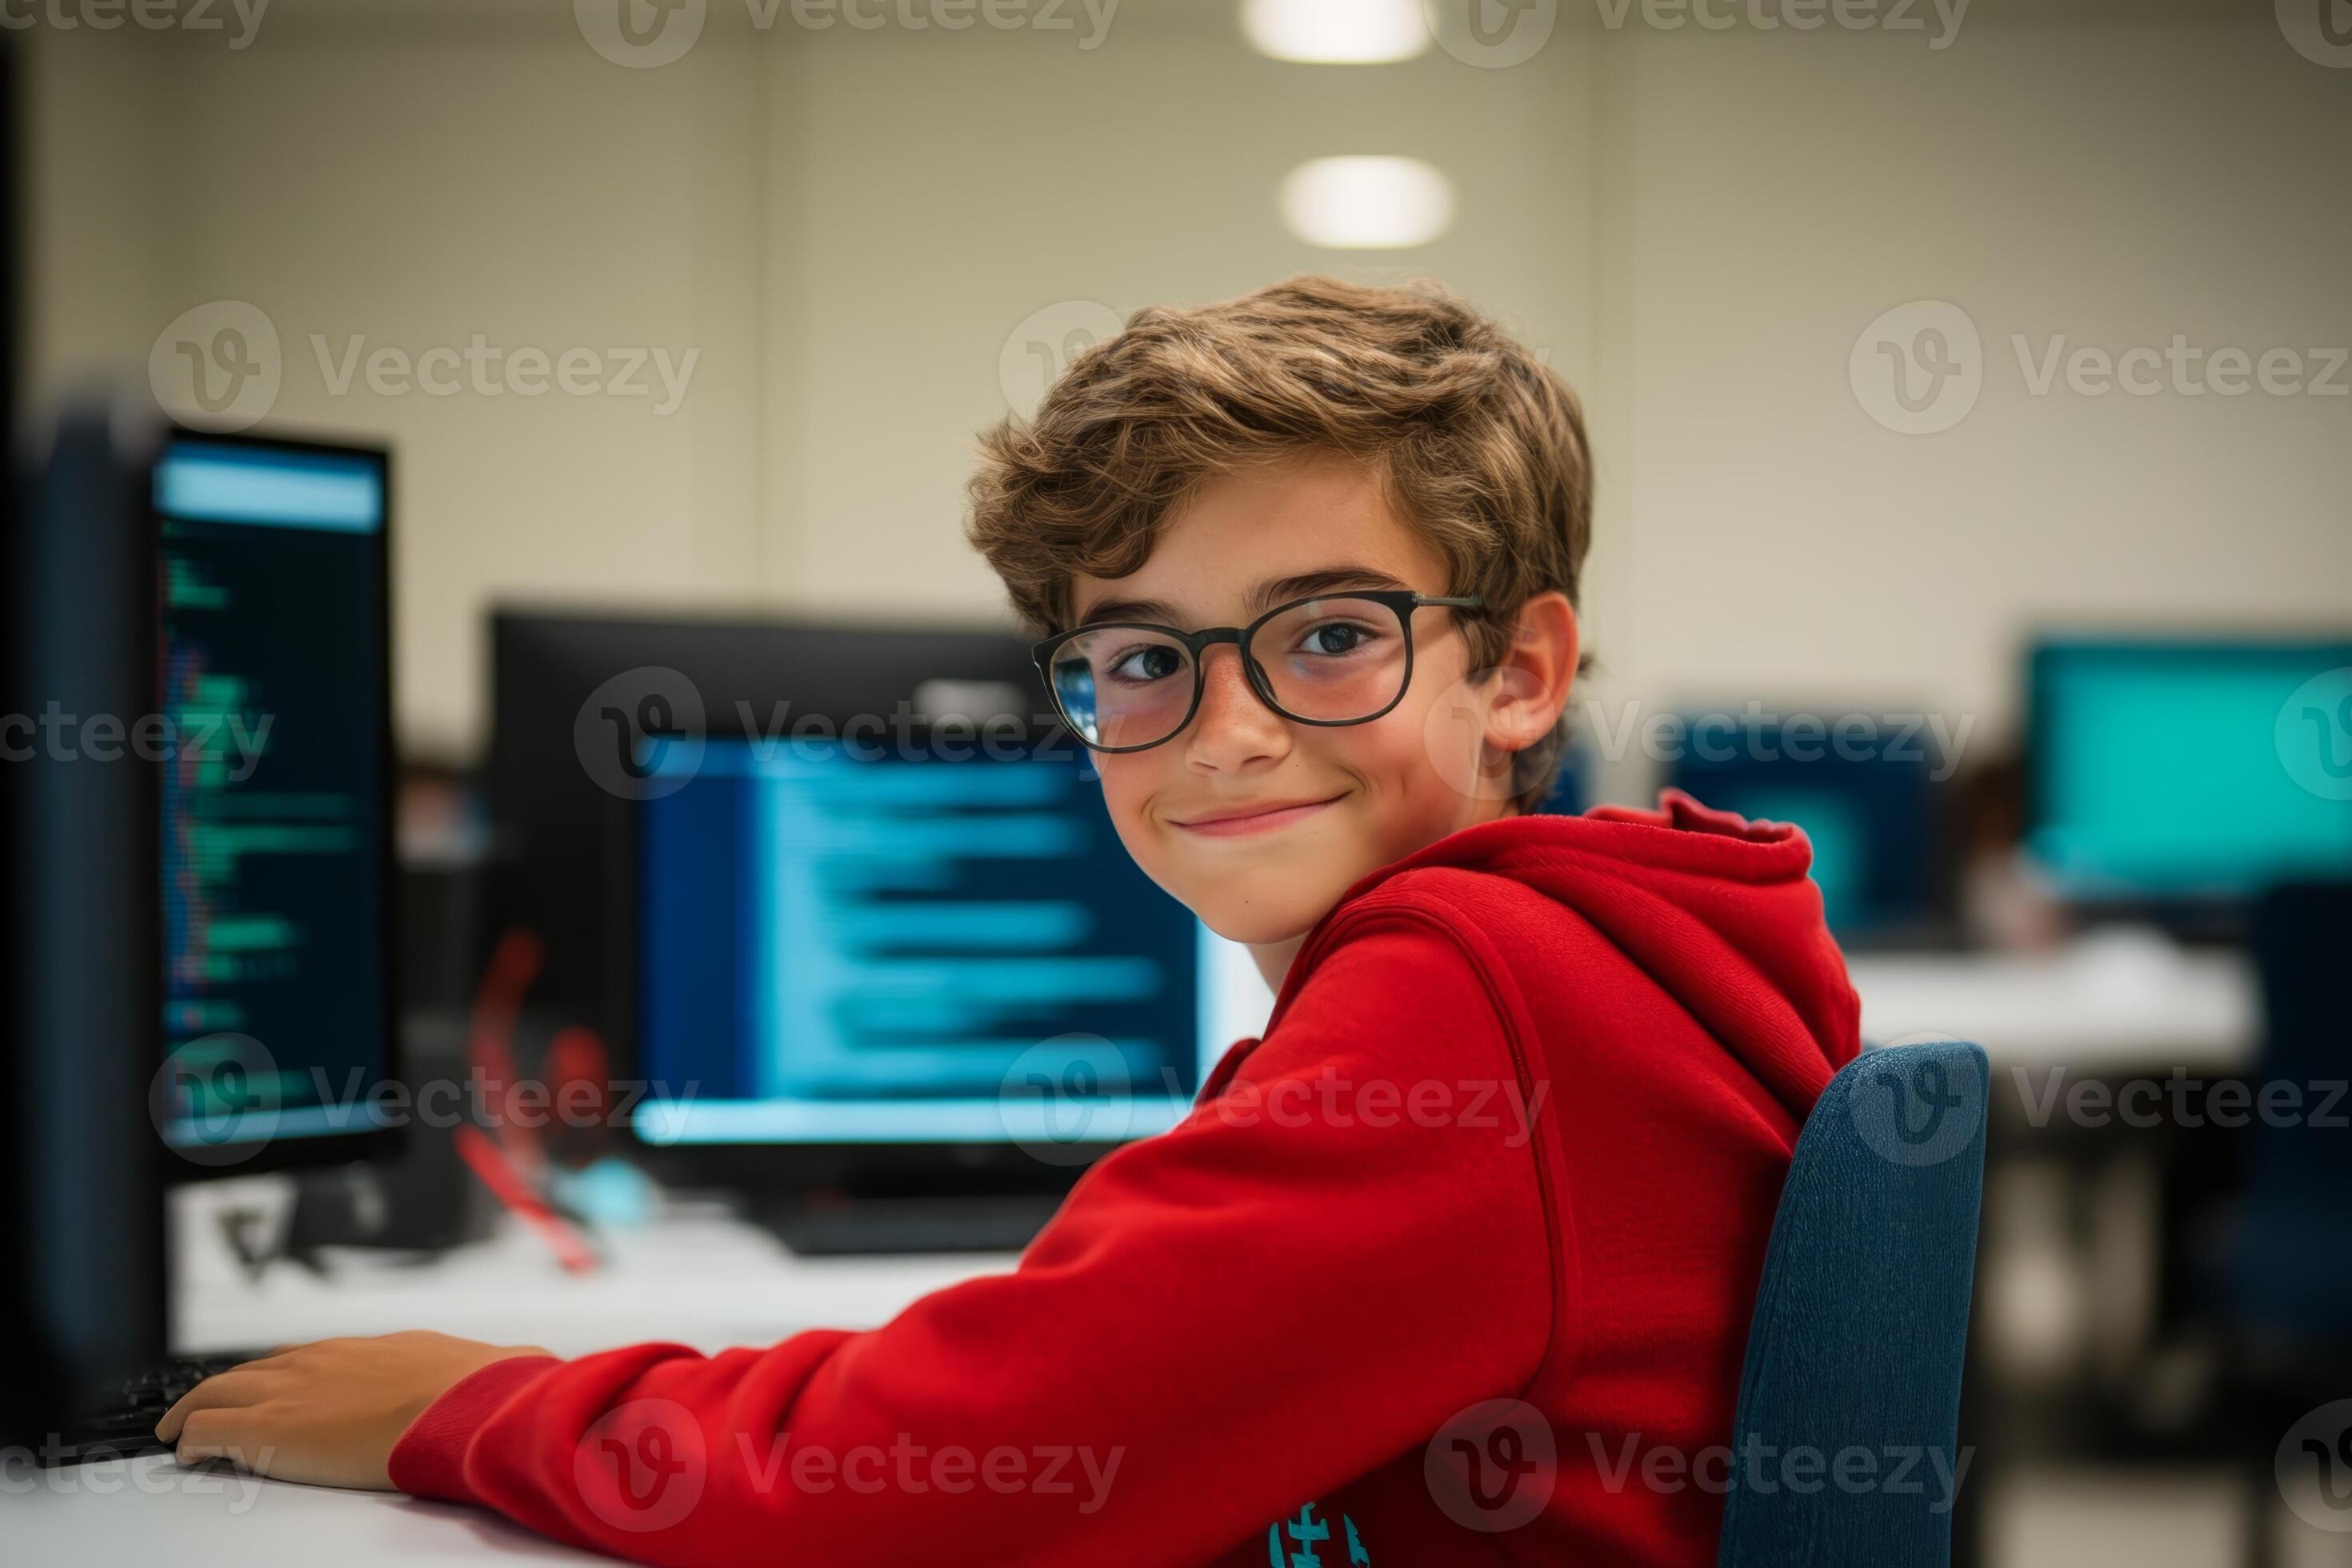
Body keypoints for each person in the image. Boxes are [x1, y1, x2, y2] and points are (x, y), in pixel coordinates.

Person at [158, 274, 1858, 1565]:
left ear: (1522, 670)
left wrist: (464, 1405)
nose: (1225, 723)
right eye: (1138, 657)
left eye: (1330, 632)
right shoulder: (1598, 950)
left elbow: (953, 1469)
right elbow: (1059, 1385)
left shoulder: (1476, 1001)